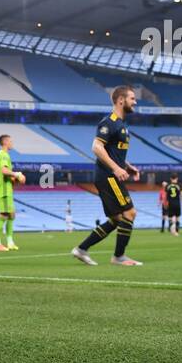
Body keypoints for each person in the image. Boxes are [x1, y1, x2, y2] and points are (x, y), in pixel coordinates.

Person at [72, 86, 142, 266]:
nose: (135, 102)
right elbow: (96, 147)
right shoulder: (109, 122)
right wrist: (117, 169)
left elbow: (112, 152)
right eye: (132, 98)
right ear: (121, 100)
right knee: (129, 213)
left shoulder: (121, 125)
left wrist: (127, 166)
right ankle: (118, 257)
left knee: (116, 219)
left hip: (110, 175)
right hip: (108, 176)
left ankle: (81, 249)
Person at [0, 134, 24, 251]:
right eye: (10, 141)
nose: (12, 143)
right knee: (4, 215)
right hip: (3, 191)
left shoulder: (1, 155)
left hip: (6, 189)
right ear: (5, 142)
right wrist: (17, 174)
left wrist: (13, 179)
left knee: (11, 214)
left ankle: (10, 242)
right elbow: (4, 170)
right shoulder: (3, 155)